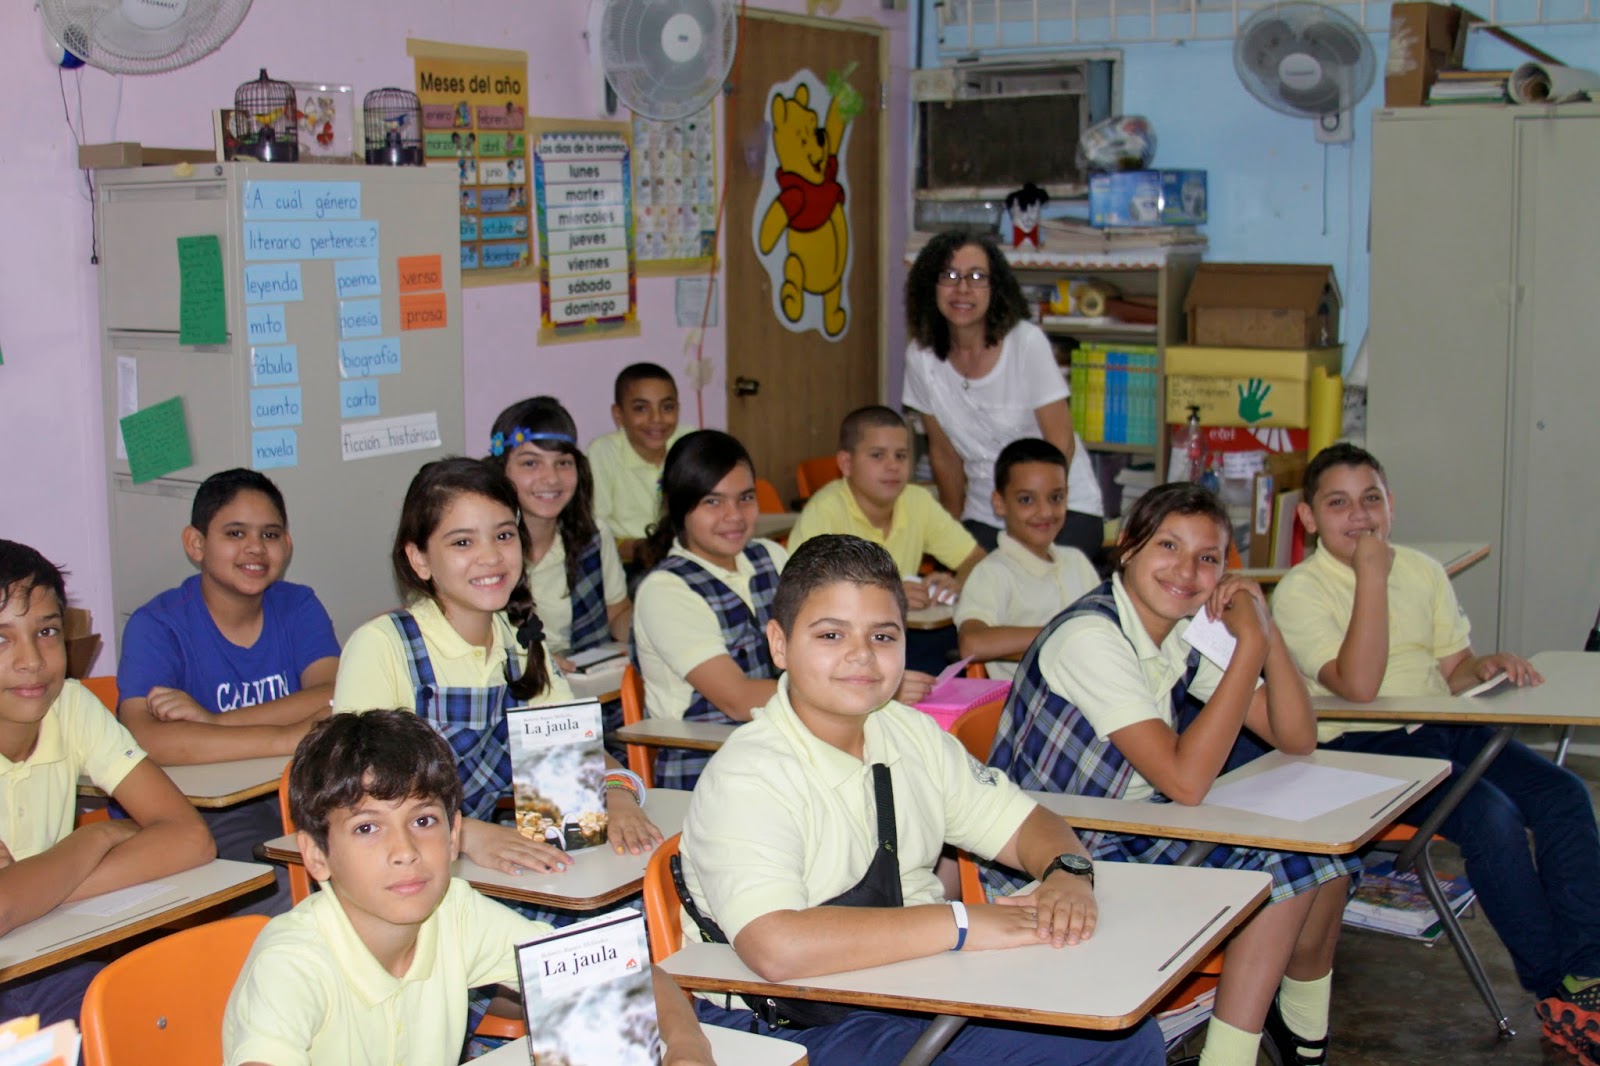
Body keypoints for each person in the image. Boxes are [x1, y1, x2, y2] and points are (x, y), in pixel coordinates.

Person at [676, 535, 1163, 1065]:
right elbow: (775, 947)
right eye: (831, 634)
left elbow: (1027, 825)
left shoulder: (909, 733)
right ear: (779, 644)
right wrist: (962, 923)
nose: (861, 655)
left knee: (1123, 1034)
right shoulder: (749, 775)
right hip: (791, 1018)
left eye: (883, 635)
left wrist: (1068, 874)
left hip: (909, 983)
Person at [988, 484, 1356, 1066]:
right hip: (1058, 855)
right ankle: (1232, 1057)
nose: (1187, 571)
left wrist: (1267, 633)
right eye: (1168, 546)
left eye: (1208, 558)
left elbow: (1296, 735)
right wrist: (1249, 647)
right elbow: (1187, 782)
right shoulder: (1090, 636)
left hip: (1132, 826)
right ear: (1129, 547)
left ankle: (1299, 1039)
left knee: (1323, 864)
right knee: (1283, 871)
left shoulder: (1183, 628)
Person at [1271, 442, 1600, 1058]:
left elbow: (1451, 669)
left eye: (1371, 499)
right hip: (1365, 749)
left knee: (1563, 793)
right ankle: (1556, 986)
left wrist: (1484, 668)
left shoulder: (1421, 571)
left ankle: (1590, 971)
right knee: (1492, 819)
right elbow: (1360, 688)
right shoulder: (1300, 592)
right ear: (1309, 519)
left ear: (1391, 506)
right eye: (1338, 503)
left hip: (1443, 726)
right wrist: (1371, 575)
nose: (1359, 516)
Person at [222, 710, 712, 1066]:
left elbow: (629, 979)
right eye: (367, 828)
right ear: (315, 856)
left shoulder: (453, 912)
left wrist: (689, 1047)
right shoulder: (291, 964)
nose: (405, 850)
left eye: (424, 820)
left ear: (455, 836)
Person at [333, 457, 659, 880]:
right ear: (419, 560)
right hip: (401, 875)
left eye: (504, 535)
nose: (490, 556)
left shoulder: (520, 641)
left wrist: (615, 796)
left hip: (487, 867)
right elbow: (357, 795)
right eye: (463, 543)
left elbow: (574, 759)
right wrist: (466, 835)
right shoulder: (382, 646)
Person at [0, 540, 214, 1026]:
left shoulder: (70, 706)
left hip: (48, 961)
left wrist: (33, 889)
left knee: (155, 1020)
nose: (32, 660)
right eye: (1, 638)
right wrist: (96, 837)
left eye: (47, 631)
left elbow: (190, 839)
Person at [117, 468, 339, 914]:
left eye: (270, 533)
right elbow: (144, 739)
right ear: (196, 544)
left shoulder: (298, 605)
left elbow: (333, 693)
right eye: (235, 532)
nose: (255, 548)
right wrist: (286, 735)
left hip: (294, 794)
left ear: (287, 545)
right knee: (286, 893)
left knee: (369, 867)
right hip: (197, 816)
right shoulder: (158, 625)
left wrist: (215, 723)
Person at [902, 229, 1104, 561]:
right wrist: (951, 530)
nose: (963, 288)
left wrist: (1033, 511)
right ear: (930, 285)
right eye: (950, 275)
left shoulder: (1026, 343)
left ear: (995, 289)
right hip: (985, 512)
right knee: (968, 591)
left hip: (1060, 510)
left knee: (1030, 591)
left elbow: (1060, 443)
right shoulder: (921, 358)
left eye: (977, 276)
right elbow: (943, 455)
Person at [787, 404, 983, 672]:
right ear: (846, 463)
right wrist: (889, 594)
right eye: (878, 455)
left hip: (901, 633)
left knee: (963, 646)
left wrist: (955, 582)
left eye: (901, 456)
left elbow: (975, 559)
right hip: (843, 644)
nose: (893, 466)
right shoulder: (825, 512)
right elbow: (804, 593)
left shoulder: (917, 501)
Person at [490, 397, 631, 754]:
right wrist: (541, 662)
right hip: (512, 709)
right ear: (500, 468)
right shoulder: (483, 549)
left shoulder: (591, 537)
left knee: (617, 786)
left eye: (563, 463)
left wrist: (652, 632)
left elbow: (617, 614)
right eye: (530, 463)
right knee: (575, 801)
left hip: (589, 702)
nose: (550, 478)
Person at [956, 438, 1099, 681]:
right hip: (1034, 707)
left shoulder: (1077, 562)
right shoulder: (993, 572)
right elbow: (972, 643)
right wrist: (1061, 632)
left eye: (1056, 498)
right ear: (999, 503)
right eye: (1026, 500)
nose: (1045, 512)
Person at [588, 362, 690, 567]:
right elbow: (594, 534)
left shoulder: (688, 441)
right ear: (619, 415)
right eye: (641, 408)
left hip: (686, 551)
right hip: (630, 561)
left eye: (667, 407)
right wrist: (646, 550)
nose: (657, 419)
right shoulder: (602, 452)